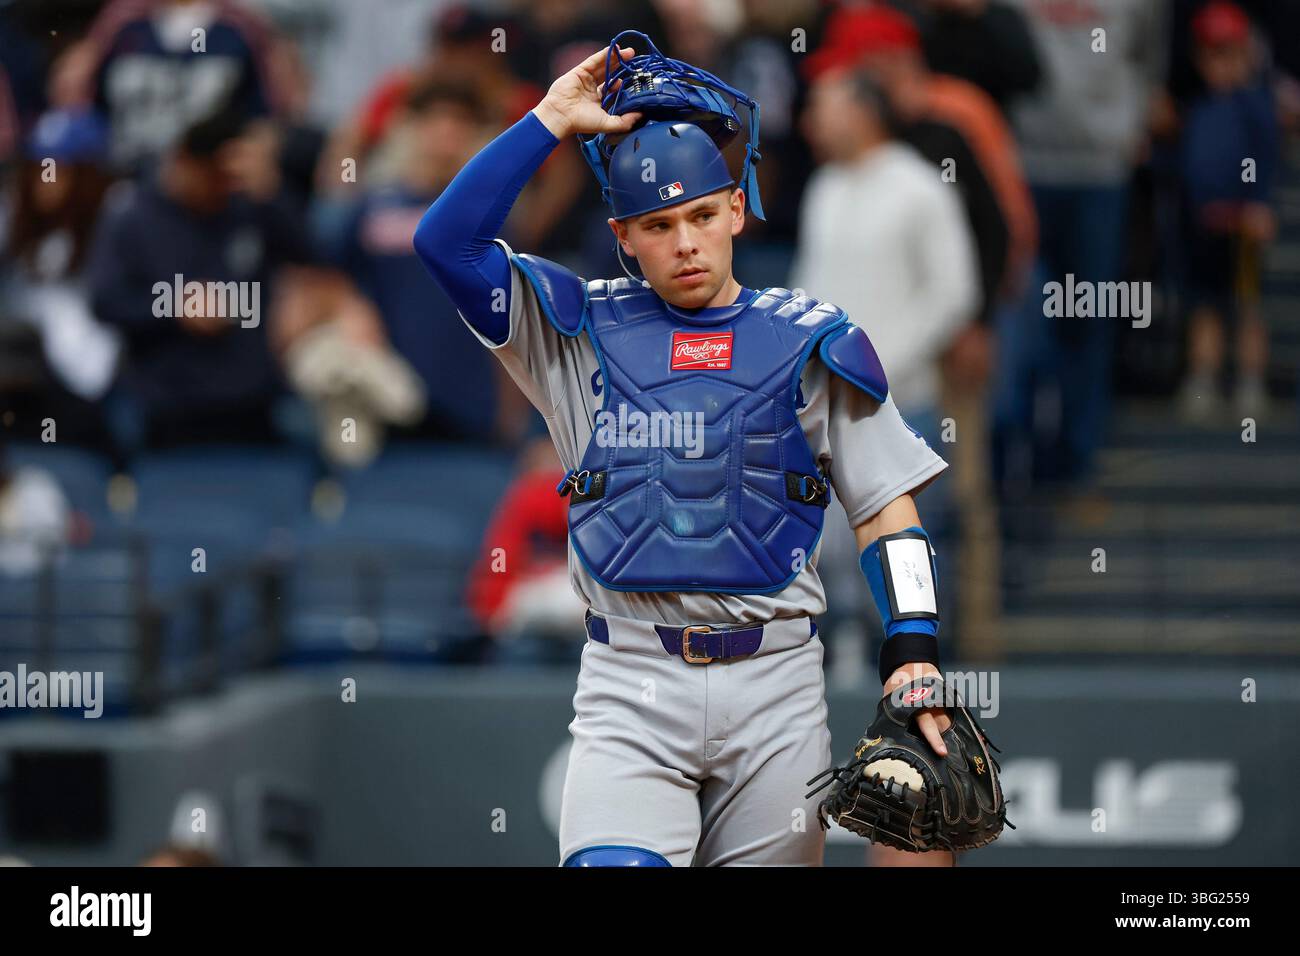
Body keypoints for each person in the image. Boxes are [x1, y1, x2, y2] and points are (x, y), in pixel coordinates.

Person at [415, 36, 957, 867]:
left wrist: (911, 649)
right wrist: (549, 120)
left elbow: (888, 504)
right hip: (630, 679)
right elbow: (446, 244)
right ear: (624, 236)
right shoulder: (574, 331)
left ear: (737, 208)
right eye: (659, 225)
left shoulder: (811, 339)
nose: (687, 243)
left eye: (703, 214)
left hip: (774, 680)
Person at [1174, 1, 1280, 420]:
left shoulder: (1255, 106)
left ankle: (1251, 380)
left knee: (1247, 304)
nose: (1221, 65)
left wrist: (1257, 205)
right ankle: (1203, 379)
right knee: (1204, 306)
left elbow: (1265, 159)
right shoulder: (1197, 107)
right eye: (1212, 55)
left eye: (1230, 54)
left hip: (1244, 224)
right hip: (1203, 222)